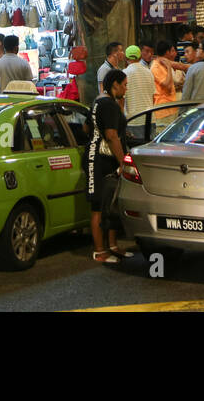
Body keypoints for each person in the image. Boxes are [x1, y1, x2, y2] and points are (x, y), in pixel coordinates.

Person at [86, 70, 129, 264]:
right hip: (100, 159)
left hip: (101, 157)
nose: (125, 89)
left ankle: (112, 246)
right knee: (98, 206)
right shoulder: (108, 104)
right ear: (115, 85)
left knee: (112, 202)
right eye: (124, 84)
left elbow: (87, 128)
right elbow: (112, 135)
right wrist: (123, 162)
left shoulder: (98, 101)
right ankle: (100, 251)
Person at [122, 44, 156, 116]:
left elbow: (121, 99)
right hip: (149, 119)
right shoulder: (149, 72)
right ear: (140, 57)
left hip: (132, 120)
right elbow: (153, 98)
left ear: (126, 58)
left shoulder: (123, 74)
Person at [151, 41, 180, 105]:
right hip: (163, 106)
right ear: (167, 52)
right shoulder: (156, 66)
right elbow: (168, 86)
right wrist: (169, 68)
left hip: (171, 103)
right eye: (171, 51)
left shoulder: (164, 64)